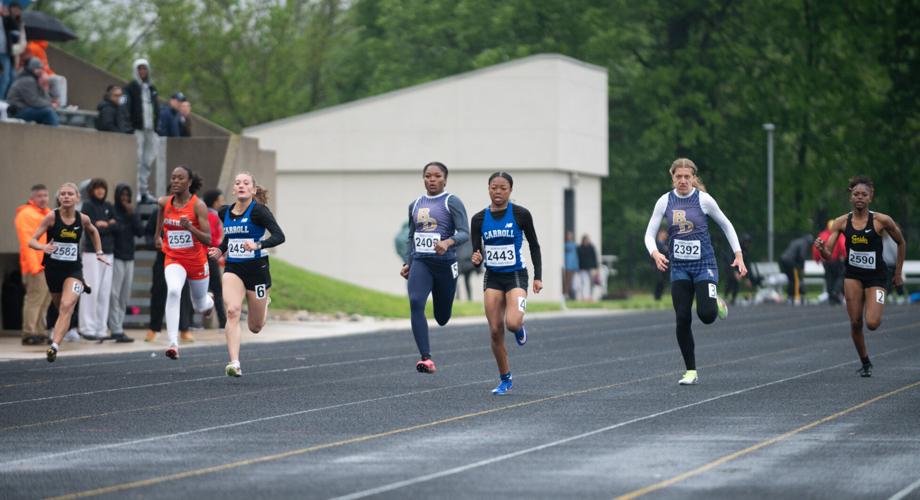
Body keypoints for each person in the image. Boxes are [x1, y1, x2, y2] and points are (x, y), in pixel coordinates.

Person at [644, 158, 746, 385]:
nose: (682, 180)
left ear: (693, 178)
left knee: (707, 316)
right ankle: (690, 370)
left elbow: (726, 225)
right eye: (678, 176)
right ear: (672, 177)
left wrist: (738, 255)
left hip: (704, 266)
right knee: (682, 318)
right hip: (679, 267)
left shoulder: (704, 200)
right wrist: (655, 253)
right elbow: (649, 234)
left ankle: (714, 300)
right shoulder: (664, 201)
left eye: (686, 177)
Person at [815, 176, 906, 377]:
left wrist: (898, 273)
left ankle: (875, 304)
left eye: (864, 194)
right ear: (851, 197)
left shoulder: (881, 220)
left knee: (872, 323)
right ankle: (865, 362)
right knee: (856, 322)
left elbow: (901, 242)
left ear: (870, 197)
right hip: (853, 276)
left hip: (877, 278)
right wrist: (822, 249)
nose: (860, 198)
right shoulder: (841, 222)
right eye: (856, 194)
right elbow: (829, 255)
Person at [470, 172, 542, 395]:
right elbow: (476, 253)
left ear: (510, 190)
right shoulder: (478, 219)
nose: (498, 192)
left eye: (503, 188)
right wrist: (476, 259)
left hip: (516, 275)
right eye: (494, 188)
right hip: (493, 277)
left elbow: (534, 245)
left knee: (511, 323)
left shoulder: (521, 214)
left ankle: (519, 328)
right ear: (488, 189)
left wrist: (538, 276)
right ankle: (505, 379)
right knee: (494, 330)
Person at [208, 173, 285, 377]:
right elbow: (230, 237)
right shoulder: (224, 211)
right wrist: (220, 250)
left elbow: (279, 236)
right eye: (238, 183)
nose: (241, 185)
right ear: (234, 190)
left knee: (255, 327)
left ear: (253, 189)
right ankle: (234, 363)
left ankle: (264, 302)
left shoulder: (259, 211)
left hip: (257, 269)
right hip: (234, 268)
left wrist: (258, 244)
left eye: (246, 183)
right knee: (232, 311)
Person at [400, 161, 469, 374]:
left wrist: (448, 242)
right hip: (422, 262)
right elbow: (411, 237)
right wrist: (408, 263)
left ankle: (444, 309)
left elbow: (464, 232)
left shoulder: (452, 201)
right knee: (415, 302)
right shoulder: (415, 204)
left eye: (437, 176)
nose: (432, 180)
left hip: (446, 265)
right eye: (428, 176)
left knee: (442, 317)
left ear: (445, 179)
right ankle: (426, 358)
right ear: (423, 179)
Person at [28, 183, 107, 362]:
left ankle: (54, 346)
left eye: (70, 194)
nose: (66, 196)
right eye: (63, 194)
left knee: (67, 305)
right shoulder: (51, 217)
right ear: (59, 198)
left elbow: (93, 231)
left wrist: (99, 252)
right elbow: (31, 241)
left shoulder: (83, 218)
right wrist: (43, 247)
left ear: (77, 198)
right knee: (61, 308)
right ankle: (82, 287)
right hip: (53, 271)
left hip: (73, 269)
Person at [152, 166, 214, 359]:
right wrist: (158, 235)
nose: (175, 181)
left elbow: (208, 239)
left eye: (180, 178)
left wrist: (190, 228)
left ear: (189, 182)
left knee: (200, 304)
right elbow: (160, 212)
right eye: (173, 178)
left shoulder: (198, 206)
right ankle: (173, 343)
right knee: (173, 291)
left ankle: (209, 302)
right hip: (174, 258)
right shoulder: (164, 201)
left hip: (196, 261)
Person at [144, 205, 193, 343]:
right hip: (163, 259)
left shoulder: (190, 211)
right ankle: (154, 329)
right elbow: (148, 233)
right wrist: (154, 242)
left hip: (182, 260)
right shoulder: (159, 212)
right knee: (158, 293)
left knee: (183, 294)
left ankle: (184, 329)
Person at [77, 179, 116, 340]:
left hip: (108, 253)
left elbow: (117, 226)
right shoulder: (87, 206)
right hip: (91, 253)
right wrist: (107, 225)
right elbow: (90, 227)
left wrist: (104, 225)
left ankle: (101, 328)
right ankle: (87, 328)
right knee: (90, 291)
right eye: (97, 188)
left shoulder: (108, 206)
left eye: (103, 188)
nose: (100, 191)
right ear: (92, 190)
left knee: (104, 292)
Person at [14, 184, 51, 345]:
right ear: (32, 198)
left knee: (45, 301)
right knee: (34, 300)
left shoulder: (48, 213)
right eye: (39, 196)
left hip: (49, 265)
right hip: (35, 266)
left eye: (45, 195)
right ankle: (29, 333)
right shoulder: (25, 214)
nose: (43, 199)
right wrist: (34, 266)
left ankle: (40, 332)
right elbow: (26, 241)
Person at [107, 183, 144, 342]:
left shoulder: (131, 212)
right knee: (114, 294)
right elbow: (112, 229)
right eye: (122, 195)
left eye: (127, 196)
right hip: (116, 256)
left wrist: (133, 215)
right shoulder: (112, 211)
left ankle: (119, 326)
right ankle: (115, 328)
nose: (125, 199)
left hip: (129, 257)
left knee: (124, 295)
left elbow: (140, 232)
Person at [124, 59, 159, 204]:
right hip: (137, 129)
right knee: (137, 160)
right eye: (140, 69)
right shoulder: (130, 88)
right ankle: (137, 191)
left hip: (150, 129)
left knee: (147, 160)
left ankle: (144, 191)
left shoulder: (151, 88)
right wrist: (130, 126)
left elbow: (156, 107)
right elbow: (127, 107)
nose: (142, 71)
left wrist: (157, 125)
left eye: (145, 68)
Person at [6, 58, 59, 126]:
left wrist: (44, 87)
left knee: (48, 111)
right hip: (17, 111)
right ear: (32, 69)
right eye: (38, 68)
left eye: (41, 68)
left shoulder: (34, 79)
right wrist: (50, 104)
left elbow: (42, 98)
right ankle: (54, 132)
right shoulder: (27, 80)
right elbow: (34, 101)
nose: (41, 71)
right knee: (48, 112)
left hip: (24, 108)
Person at [202, 188, 227, 329]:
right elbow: (210, 238)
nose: (223, 202)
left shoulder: (209, 214)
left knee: (212, 289)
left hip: (208, 255)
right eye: (221, 200)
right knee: (217, 290)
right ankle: (222, 322)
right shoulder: (211, 216)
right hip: (210, 256)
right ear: (215, 202)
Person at [25, 40, 67, 108]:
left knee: (61, 79)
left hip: (45, 73)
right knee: (57, 80)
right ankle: (60, 105)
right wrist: (42, 74)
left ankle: (60, 104)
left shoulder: (41, 49)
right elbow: (32, 65)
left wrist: (51, 73)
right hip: (38, 74)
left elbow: (46, 67)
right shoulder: (33, 47)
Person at [813, 220, 846, 305]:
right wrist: (845, 255)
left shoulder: (822, 235)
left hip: (826, 261)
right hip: (836, 260)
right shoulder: (838, 234)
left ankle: (831, 297)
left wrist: (817, 259)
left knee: (829, 278)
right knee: (840, 276)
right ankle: (836, 291)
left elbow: (816, 247)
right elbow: (842, 245)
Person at [780, 234, 812, 304]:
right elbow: (802, 256)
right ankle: (795, 296)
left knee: (791, 279)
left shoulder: (796, 241)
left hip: (784, 260)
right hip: (790, 261)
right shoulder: (804, 243)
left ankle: (790, 296)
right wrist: (802, 268)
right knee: (795, 279)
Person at [882, 234, 907, 304]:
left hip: (893, 264)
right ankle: (889, 296)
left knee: (897, 280)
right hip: (885, 264)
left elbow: (896, 252)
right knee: (888, 282)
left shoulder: (891, 240)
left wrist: (898, 265)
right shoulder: (882, 239)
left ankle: (900, 296)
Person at [576, 234, 599, 301]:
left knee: (592, 283)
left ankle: (591, 296)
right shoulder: (579, 248)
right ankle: (585, 297)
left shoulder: (591, 247)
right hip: (583, 268)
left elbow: (594, 258)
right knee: (585, 282)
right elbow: (578, 259)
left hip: (591, 268)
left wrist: (596, 268)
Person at [652, 228, 669, 301]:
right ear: (660, 234)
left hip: (665, 265)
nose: (666, 235)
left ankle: (659, 297)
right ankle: (657, 296)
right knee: (660, 280)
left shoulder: (666, 243)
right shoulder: (655, 244)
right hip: (656, 265)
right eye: (664, 233)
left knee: (663, 281)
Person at [563, 231, 579, 300]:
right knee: (566, 280)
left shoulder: (574, 245)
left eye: (570, 235)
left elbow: (575, 256)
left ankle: (569, 294)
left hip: (572, 265)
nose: (569, 236)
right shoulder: (564, 245)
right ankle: (566, 293)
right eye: (568, 235)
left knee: (571, 281)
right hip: (567, 265)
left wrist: (576, 266)